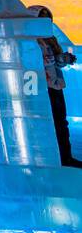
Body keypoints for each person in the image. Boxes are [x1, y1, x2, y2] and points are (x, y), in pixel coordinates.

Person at [37, 33, 82, 168]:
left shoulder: (49, 39)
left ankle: (65, 157)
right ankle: (57, 158)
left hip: (55, 84)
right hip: (42, 86)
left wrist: (63, 58)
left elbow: (52, 62)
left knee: (61, 123)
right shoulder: (32, 39)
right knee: (53, 123)